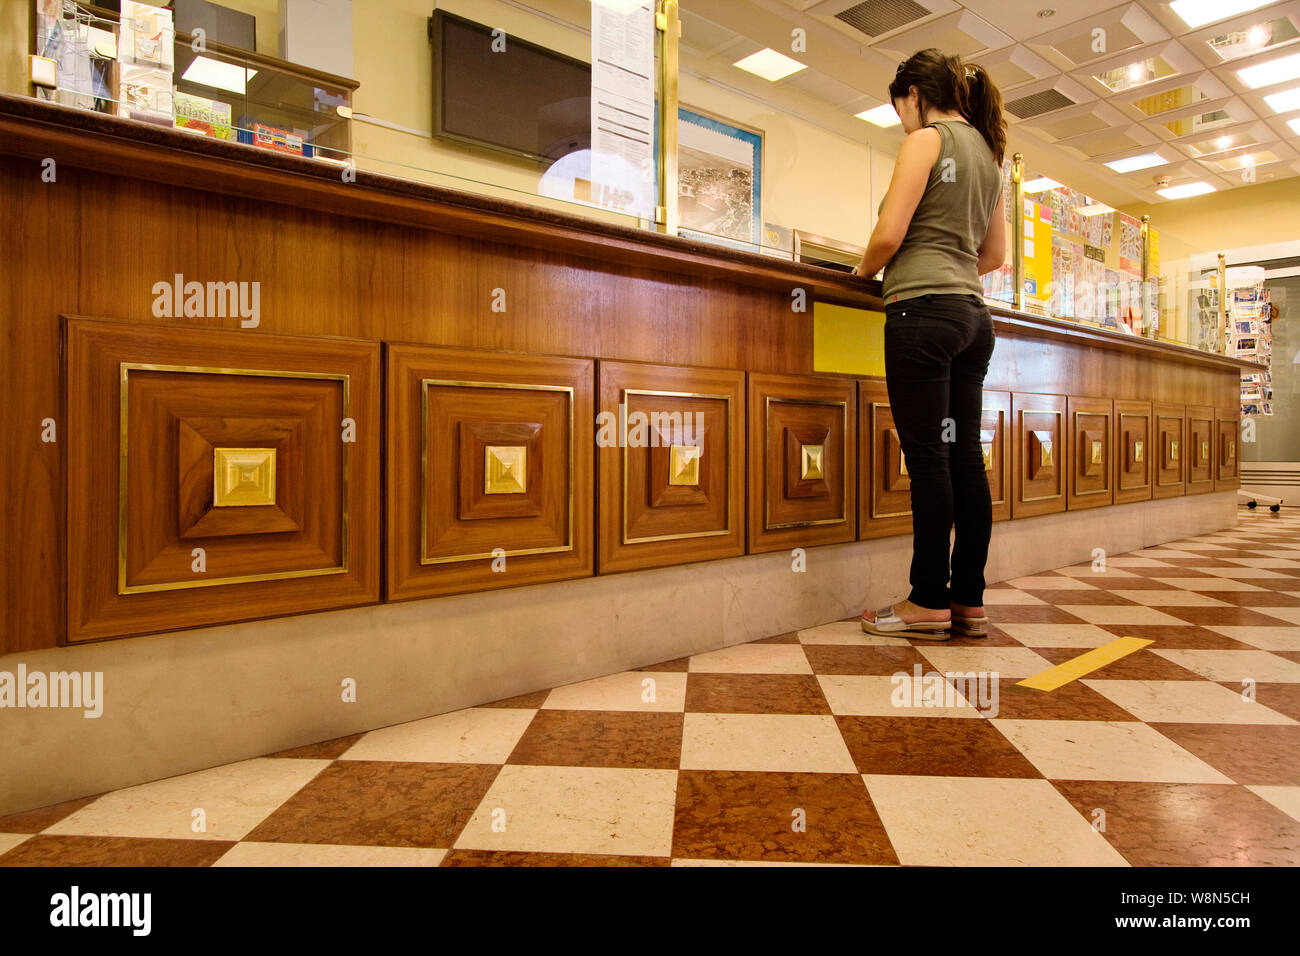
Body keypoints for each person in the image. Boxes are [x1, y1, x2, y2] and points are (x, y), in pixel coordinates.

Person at [852, 49, 1008, 640]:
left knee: (928, 463)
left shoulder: (926, 141)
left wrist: (862, 270)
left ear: (914, 93)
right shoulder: (990, 157)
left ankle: (926, 601)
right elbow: (995, 257)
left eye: (900, 110)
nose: (903, 122)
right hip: (972, 318)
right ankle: (968, 600)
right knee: (964, 457)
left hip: (921, 312)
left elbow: (889, 234)